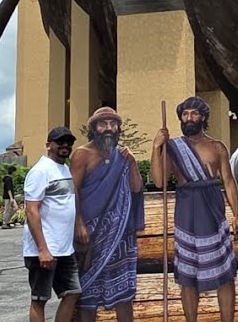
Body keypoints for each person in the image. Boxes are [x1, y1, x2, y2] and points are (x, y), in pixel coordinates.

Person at [151, 96, 238, 322]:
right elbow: (160, 181)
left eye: (194, 113)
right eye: (185, 114)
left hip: (213, 210)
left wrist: (237, 215)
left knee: (225, 273)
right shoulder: (172, 148)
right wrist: (156, 147)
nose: (189, 118)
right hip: (187, 212)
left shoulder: (217, 147)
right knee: (188, 276)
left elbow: (229, 182)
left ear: (203, 117)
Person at [70, 107, 145, 321]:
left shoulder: (122, 155)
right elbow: (72, 191)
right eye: (103, 124)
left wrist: (132, 162)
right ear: (94, 128)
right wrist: (79, 224)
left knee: (124, 293)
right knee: (88, 293)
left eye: (113, 124)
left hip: (120, 233)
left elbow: (136, 188)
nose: (109, 128)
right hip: (91, 234)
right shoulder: (82, 154)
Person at [23, 126, 81, 322]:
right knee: (40, 299)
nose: (65, 146)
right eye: (60, 142)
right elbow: (31, 210)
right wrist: (42, 249)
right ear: (48, 145)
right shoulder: (40, 171)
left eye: (69, 142)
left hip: (64, 249)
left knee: (72, 293)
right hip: (44, 251)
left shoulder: (64, 168)